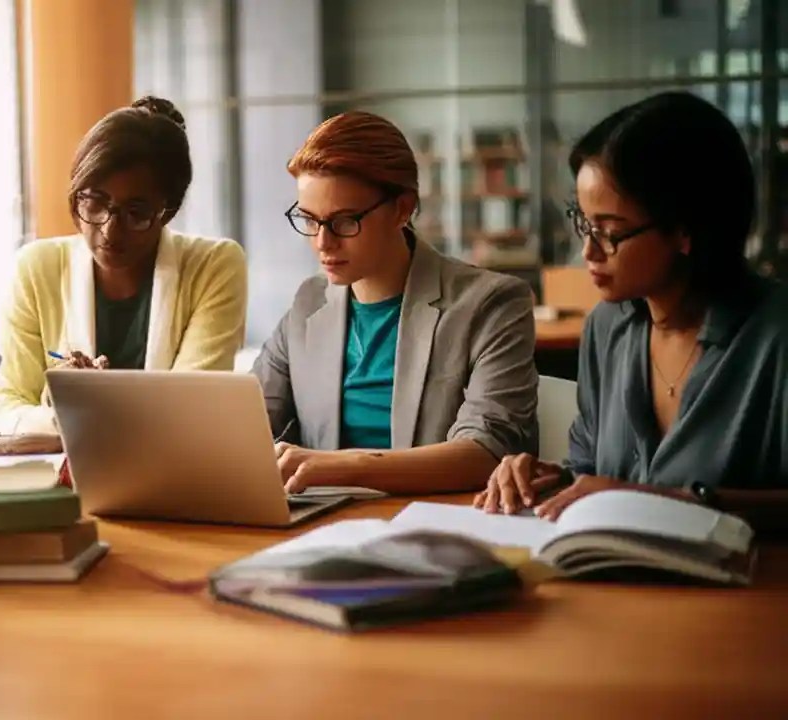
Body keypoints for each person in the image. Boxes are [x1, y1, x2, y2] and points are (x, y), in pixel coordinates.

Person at [475, 91, 788, 529]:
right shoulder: (608, 326)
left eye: (609, 232)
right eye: (583, 223)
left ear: (685, 230)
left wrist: (667, 500)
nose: (588, 251)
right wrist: (550, 480)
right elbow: (592, 470)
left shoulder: (774, 335)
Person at [254, 110, 538, 495]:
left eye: (344, 222)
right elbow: (250, 427)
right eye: (309, 220)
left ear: (402, 209)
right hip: (321, 522)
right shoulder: (309, 302)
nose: (323, 242)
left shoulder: (491, 303)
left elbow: (485, 451)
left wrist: (343, 466)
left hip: (433, 522)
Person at [0, 96, 248, 435]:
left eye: (135, 213)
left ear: (167, 211)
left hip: (170, 481)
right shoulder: (37, 268)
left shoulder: (213, 266)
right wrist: (65, 410)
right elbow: (4, 408)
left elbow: (190, 408)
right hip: (59, 483)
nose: (109, 230)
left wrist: (87, 407)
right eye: (94, 203)